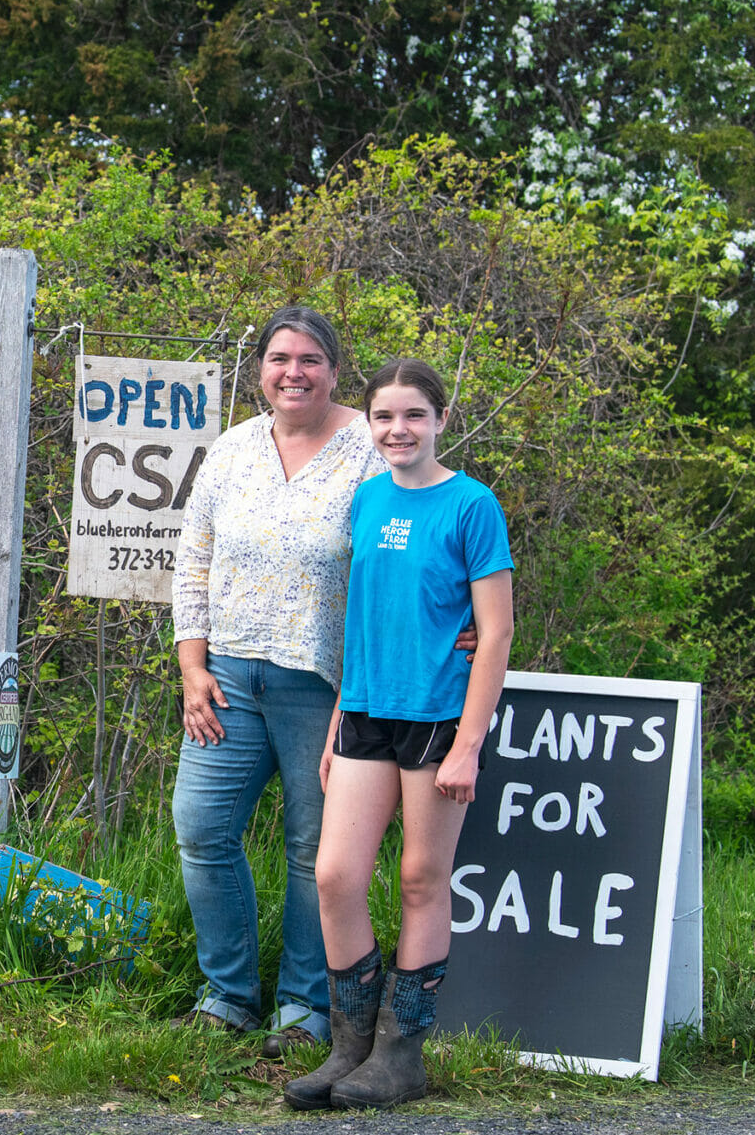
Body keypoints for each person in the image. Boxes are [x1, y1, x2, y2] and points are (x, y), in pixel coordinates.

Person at [286, 358, 513, 1111]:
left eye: (414, 415)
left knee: (421, 876)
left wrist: (468, 744)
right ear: (370, 423)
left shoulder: (473, 505)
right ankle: (349, 1048)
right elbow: (362, 618)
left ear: (441, 419)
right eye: (385, 416)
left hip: (438, 717)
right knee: (335, 875)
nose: (398, 430)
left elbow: (497, 629)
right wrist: (338, 719)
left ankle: (400, 1055)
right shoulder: (368, 498)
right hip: (365, 713)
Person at [168, 305, 389, 1053]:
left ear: (334, 369)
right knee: (201, 828)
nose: (293, 372)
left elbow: (418, 538)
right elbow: (192, 558)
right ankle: (227, 993)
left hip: (325, 685)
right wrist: (192, 666)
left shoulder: (370, 448)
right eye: (279, 358)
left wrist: (463, 612)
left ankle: (304, 1006)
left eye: (310, 360)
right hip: (227, 676)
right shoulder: (232, 450)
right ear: (260, 368)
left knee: (313, 850)